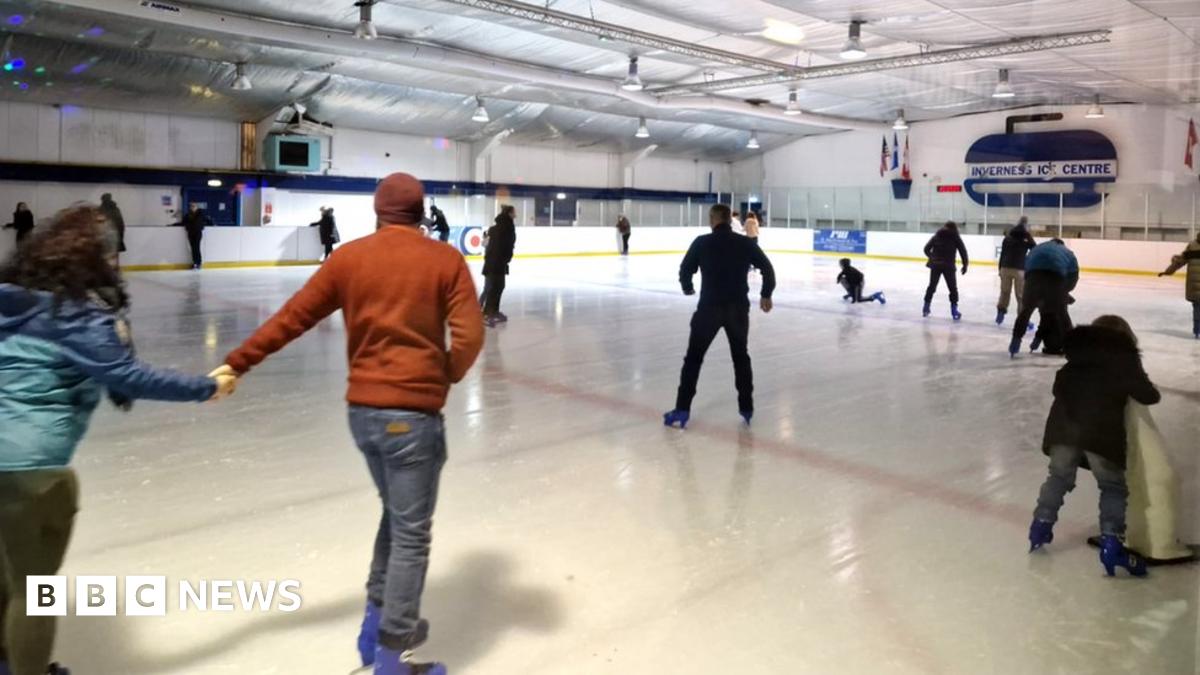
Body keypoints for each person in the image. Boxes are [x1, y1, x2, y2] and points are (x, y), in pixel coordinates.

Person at [215, 173, 483, 675]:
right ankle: (392, 655)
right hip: (412, 420)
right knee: (412, 535)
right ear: (421, 213)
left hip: (363, 415)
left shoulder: (349, 258)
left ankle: (374, 628)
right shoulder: (444, 260)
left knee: (396, 518)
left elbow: (292, 317)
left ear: (378, 212)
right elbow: (469, 335)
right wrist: (445, 373)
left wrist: (237, 362)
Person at [0, 205, 235, 675]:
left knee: (4, 574)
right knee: (34, 591)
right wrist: (206, 388)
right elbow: (129, 377)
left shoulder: (10, 300)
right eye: (111, 257)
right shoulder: (77, 316)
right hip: (31, 466)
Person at [1028, 315, 1159, 578]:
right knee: (1112, 486)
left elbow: (1059, 387)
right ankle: (1112, 544)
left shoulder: (1076, 357)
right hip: (1101, 434)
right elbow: (1149, 395)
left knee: (1058, 478)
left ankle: (1040, 526)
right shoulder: (1124, 360)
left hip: (1063, 431)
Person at [663, 204, 776, 429]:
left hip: (709, 309)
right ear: (728, 219)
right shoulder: (745, 243)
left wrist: (687, 287)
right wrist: (766, 294)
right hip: (737, 309)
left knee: (693, 359)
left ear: (712, 219)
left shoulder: (702, 242)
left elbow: (685, 269)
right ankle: (746, 408)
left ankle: (682, 409)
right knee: (741, 357)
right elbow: (767, 268)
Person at [1009, 239, 1078, 357]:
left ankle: (1016, 340)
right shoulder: (1067, 252)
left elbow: (1026, 268)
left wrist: (1031, 288)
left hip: (1033, 278)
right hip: (1055, 278)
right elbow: (1073, 276)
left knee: (1026, 311)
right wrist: (1064, 293)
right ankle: (1072, 347)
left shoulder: (1037, 248)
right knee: (1062, 314)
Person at [1156, 231, 1200, 338]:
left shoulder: (1192, 246)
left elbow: (1179, 261)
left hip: (1194, 286)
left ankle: (1197, 330)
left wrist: (1168, 271)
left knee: (1197, 307)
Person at [922, 221, 968, 320]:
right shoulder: (955, 237)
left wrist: (933, 257)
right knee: (952, 289)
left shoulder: (937, 236)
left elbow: (926, 249)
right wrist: (965, 265)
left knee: (932, 286)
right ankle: (954, 310)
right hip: (948, 266)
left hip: (936, 265)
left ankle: (926, 307)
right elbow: (963, 251)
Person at [996, 216, 1036, 325]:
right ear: (1026, 225)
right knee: (1021, 295)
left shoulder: (1008, 237)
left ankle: (1001, 312)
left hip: (1005, 268)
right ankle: (1023, 319)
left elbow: (1002, 254)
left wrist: (1000, 269)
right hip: (1019, 269)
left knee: (1004, 292)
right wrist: (1028, 235)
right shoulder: (1026, 237)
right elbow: (1034, 248)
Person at [481, 205, 516, 327]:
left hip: (496, 262)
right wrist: (506, 258)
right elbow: (506, 246)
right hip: (496, 262)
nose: (515, 214)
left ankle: (494, 311)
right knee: (494, 288)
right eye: (514, 212)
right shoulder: (506, 228)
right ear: (509, 213)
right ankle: (487, 313)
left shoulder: (497, 228)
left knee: (499, 286)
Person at [181, 203, 212, 270]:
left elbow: (207, 220)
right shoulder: (188, 215)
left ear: (196, 207)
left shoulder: (201, 214)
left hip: (197, 233)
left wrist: (212, 224)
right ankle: (195, 262)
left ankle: (199, 263)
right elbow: (183, 222)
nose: (192, 207)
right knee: (193, 248)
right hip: (190, 233)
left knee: (197, 248)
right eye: (191, 206)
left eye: (194, 206)